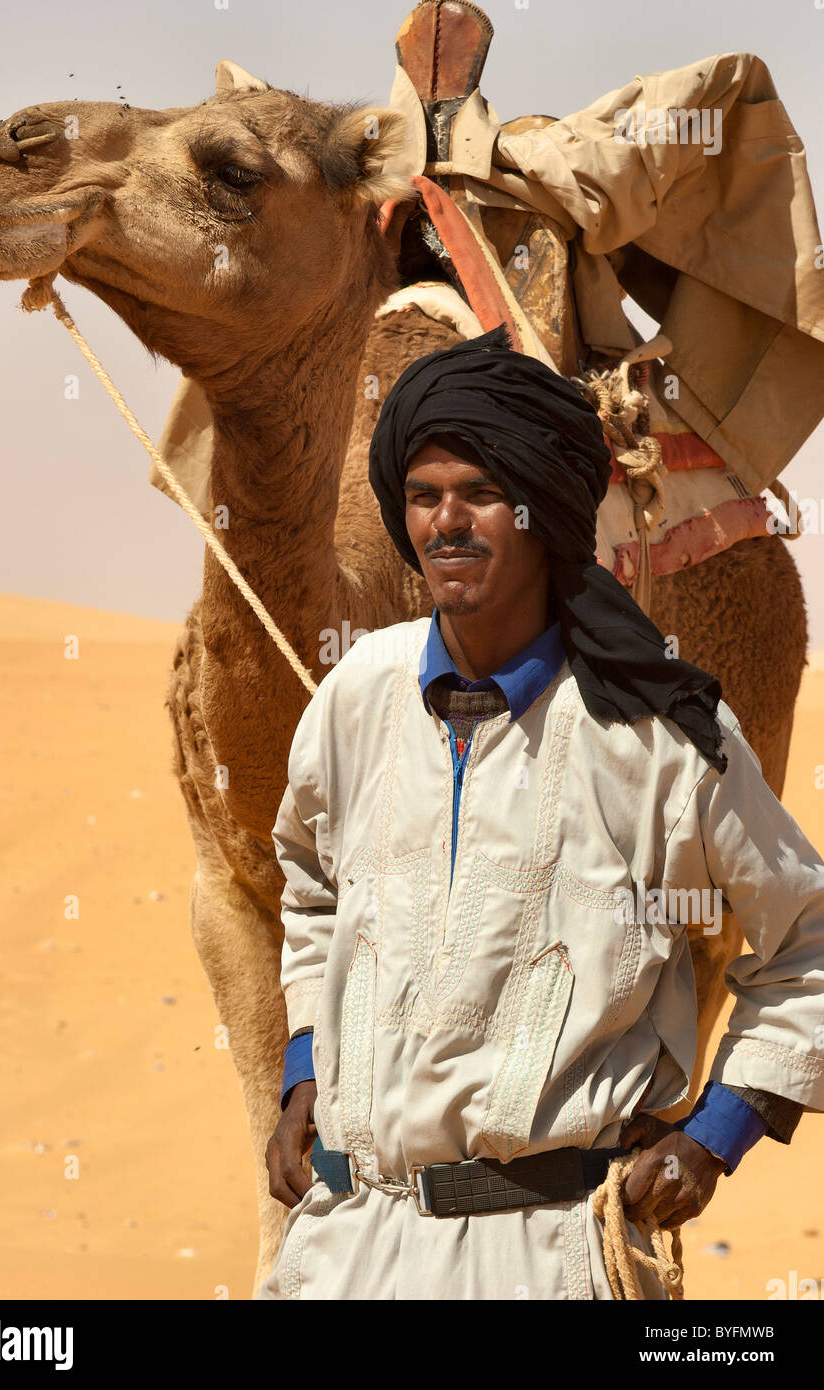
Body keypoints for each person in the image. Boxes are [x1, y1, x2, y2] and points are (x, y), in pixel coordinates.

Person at [257, 327, 824, 1300]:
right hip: (342, 1243)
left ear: (540, 511)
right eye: (422, 495)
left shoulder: (656, 735)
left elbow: (805, 941)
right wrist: (306, 1061)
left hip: (547, 1251)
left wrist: (715, 1133)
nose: (445, 523)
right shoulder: (357, 695)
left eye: (477, 493)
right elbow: (309, 885)